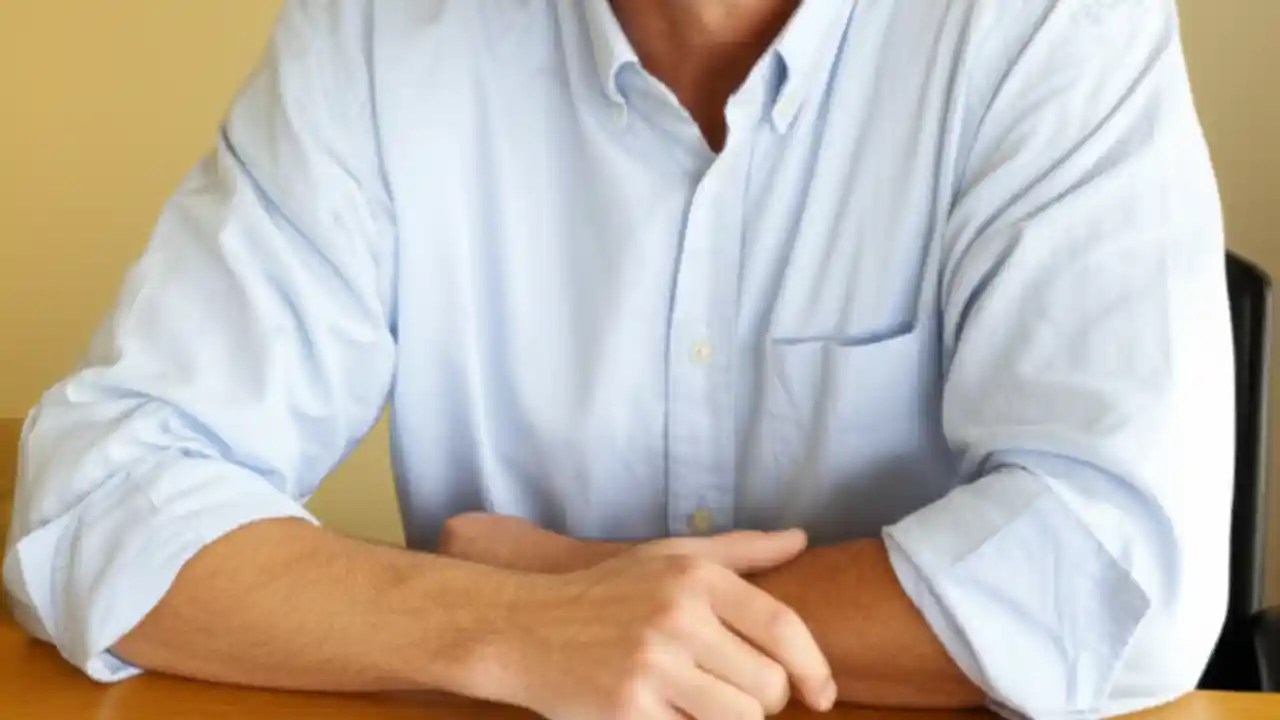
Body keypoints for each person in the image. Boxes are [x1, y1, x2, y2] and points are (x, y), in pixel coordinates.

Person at [3, 1, 1232, 718]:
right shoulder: (379, 33)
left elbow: (1120, 572)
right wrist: (501, 625)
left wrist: (583, 597)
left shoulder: (1049, 24)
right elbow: (98, 493)